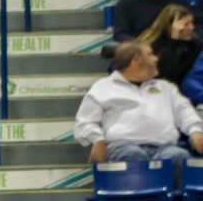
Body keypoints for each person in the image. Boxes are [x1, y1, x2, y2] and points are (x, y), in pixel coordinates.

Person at [77, 40, 203, 171]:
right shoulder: (103, 87)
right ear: (137, 59)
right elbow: (85, 122)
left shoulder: (166, 88)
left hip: (164, 147)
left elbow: (185, 112)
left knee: (179, 156)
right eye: (150, 55)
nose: (156, 59)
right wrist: (98, 140)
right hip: (123, 146)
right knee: (133, 155)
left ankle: (173, 192)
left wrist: (196, 131)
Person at [143, 5, 201, 88]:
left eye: (192, 22)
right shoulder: (152, 46)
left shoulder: (195, 44)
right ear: (170, 27)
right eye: (186, 24)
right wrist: (174, 40)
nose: (192, 27)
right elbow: (167, 76)